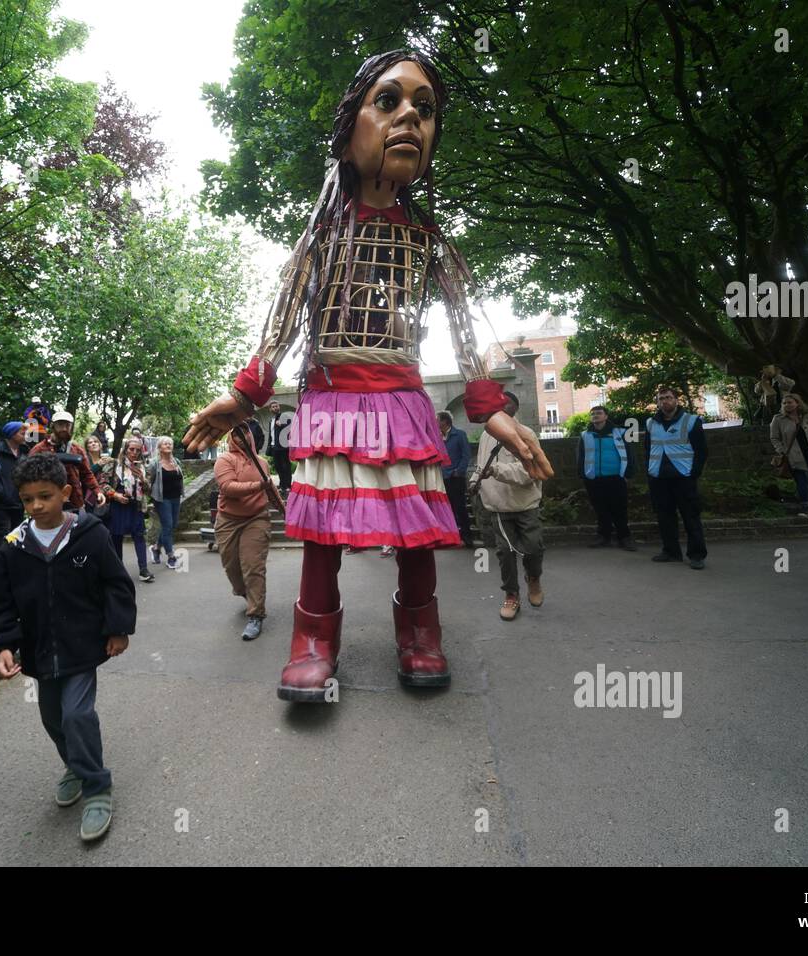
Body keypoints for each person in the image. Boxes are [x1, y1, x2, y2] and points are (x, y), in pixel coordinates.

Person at [183, 50, 552, 701]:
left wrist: (488, 404)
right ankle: (313, 641)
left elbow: (466, 328)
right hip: (333, 398)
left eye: (425, 107)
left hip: (403, 399)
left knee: (412, 528)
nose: (410, 114)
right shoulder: (321, 237)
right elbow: (285, 321)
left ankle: (420, 630)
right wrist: (246, 394)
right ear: (350, 129)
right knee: (324, 532)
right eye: (390, 101)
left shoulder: (428, 238)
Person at [0, 453, 135, 842]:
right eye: (27, 499)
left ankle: (97, 787)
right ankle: (75, 765)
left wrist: (117, 628)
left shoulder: (90, 535)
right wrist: (0, 645)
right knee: (52, 718)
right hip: (39, 651)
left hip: (82, 648)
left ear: (65, 493)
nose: (36, 506)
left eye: (45, 496)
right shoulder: (14, 547)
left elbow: (116, 584)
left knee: (77, 715)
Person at [474, 392, 545, 620]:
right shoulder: (486, 435)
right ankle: (511, 595)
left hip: (525, 504)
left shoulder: (526, 434)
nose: (502, 408)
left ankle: (533, 578)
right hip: (498, 505)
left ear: (515, 409)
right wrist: (475, 481)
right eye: (499, 404)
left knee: (533, 548)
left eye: (507, 405)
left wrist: (495, 470)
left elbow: (528, 473)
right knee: (505, 552)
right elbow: (481, 465)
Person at [214, 427, 273, 640]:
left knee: (253, 567)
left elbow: (270, 491)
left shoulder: (262, 462)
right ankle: (246, 593)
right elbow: (228, 487)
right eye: (236, 434)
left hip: (256, 518)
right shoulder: (224, 460)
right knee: (232, 569)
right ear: (231, 438)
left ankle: (256, 614)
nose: (241, 437)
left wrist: (286, 511)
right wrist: (258, 485)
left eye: (244, 433)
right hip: (228, 520)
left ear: (251, 436)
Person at [645, 387, 709, 569]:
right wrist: (649, 471)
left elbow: (701, 451)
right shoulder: (651, 423)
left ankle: (697, 555)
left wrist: (694, 473)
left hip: (683, 477)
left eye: (668, 397)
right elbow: (648, 449)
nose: (665, 401)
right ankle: (671, 551)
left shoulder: (690, 421)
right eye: (661, 398)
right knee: (664, 517)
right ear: (657, 402)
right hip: (658, 477)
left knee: (691, 517)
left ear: (676, 400)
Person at [96, 438, 155, 583]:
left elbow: (148, 490)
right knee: (117, 537)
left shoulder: (143, 467)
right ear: (125, 449)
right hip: (118, 504)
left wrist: (142, 479)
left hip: (136, 506)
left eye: (138, 450)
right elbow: (102, 483)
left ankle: (143, 569)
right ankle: (119, 570)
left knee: (139, 537)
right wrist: (115, 495)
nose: (134, 453)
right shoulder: (114, 464)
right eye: (131, 449)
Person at [577, 405, 635, 549]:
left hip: (616, 477)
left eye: (599, 413)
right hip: (594, 478)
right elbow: (580, 456)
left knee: (620, 509)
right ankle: (603, 536)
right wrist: (582, 474)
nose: (595, 415)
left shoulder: (620, 433)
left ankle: (624, 538)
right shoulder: (585, 435)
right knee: (600, 509)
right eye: (593, 414)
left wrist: (628, 473)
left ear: (606, 416)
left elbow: (630, 453)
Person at [770, 393, 808, 517]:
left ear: (797, 403)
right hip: (794, 455)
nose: (787, 405)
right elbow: (774, 438)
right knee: (801, 481)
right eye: (784, 403)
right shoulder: (778, 419)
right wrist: (782, 451)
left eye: (790, 402)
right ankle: (805, 507)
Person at [29, 410, 100, 512]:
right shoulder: (39, 449)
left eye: (67, 425)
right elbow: (28, 474)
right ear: (53, 426)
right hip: (47, 502)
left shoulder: (77, 449)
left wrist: (97, 491)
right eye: (60, 425)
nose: (64, 429)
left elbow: (87, 474)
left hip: (74, 501)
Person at [438, 411, 474, 547]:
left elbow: (466, 455)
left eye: (438, 420)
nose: (436, 423)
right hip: (443, 478)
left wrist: (459, 471)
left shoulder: (460, 435)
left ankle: (467, 536)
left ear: (445, 422)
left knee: (460, 508)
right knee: (447, 509)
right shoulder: (438, 438)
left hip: (456, 478)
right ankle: (452, 537)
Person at [0, 421, 29, 549]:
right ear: (11, 434)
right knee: (1, 534)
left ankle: (13, 562)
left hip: (18, 500)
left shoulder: (24, 451)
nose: (25, 434)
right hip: (0, 501)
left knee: (17, 533)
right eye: (21, 432)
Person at [149, 437, 185, 569]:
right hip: (162, 499)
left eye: (170, 443)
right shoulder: (154, 463)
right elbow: (149, 482)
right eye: (165, 443)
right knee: (168, 525)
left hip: (176, 497)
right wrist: (151, 498)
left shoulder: (177, 462)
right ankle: (171, 556)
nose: (168, 444)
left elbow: (180, 478)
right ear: (159, 447)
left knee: (171, 525)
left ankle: (156, 547)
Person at [266, 401, 293, 495]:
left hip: (283, 446)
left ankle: (288, 486)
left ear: (279, 407)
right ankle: (282, 486)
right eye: (272, 407)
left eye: (276, 406)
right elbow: (271, 435)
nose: (275, 408)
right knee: (278, 467)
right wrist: (269, 446)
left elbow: (291, 428)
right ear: (270, 409)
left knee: (286, 466)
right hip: (274, 447)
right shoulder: (271, 421)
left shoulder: (284, 417)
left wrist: (282, 425)